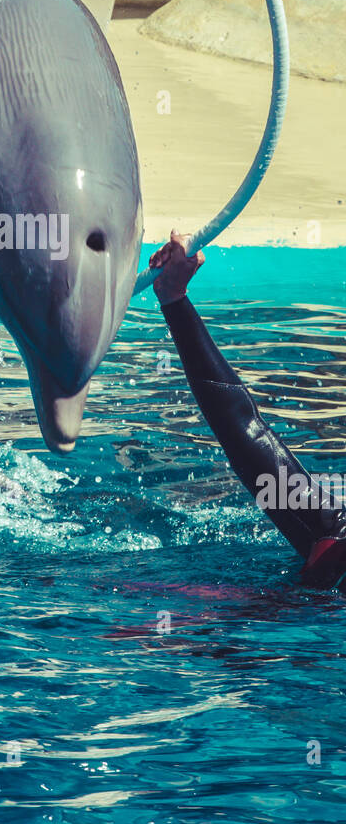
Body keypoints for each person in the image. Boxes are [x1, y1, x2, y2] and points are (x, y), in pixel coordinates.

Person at [149, 231, 346, 589]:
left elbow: (244, 428)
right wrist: (174, 299)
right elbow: (244, 429)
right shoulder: (334, 538)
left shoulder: (333, 543)